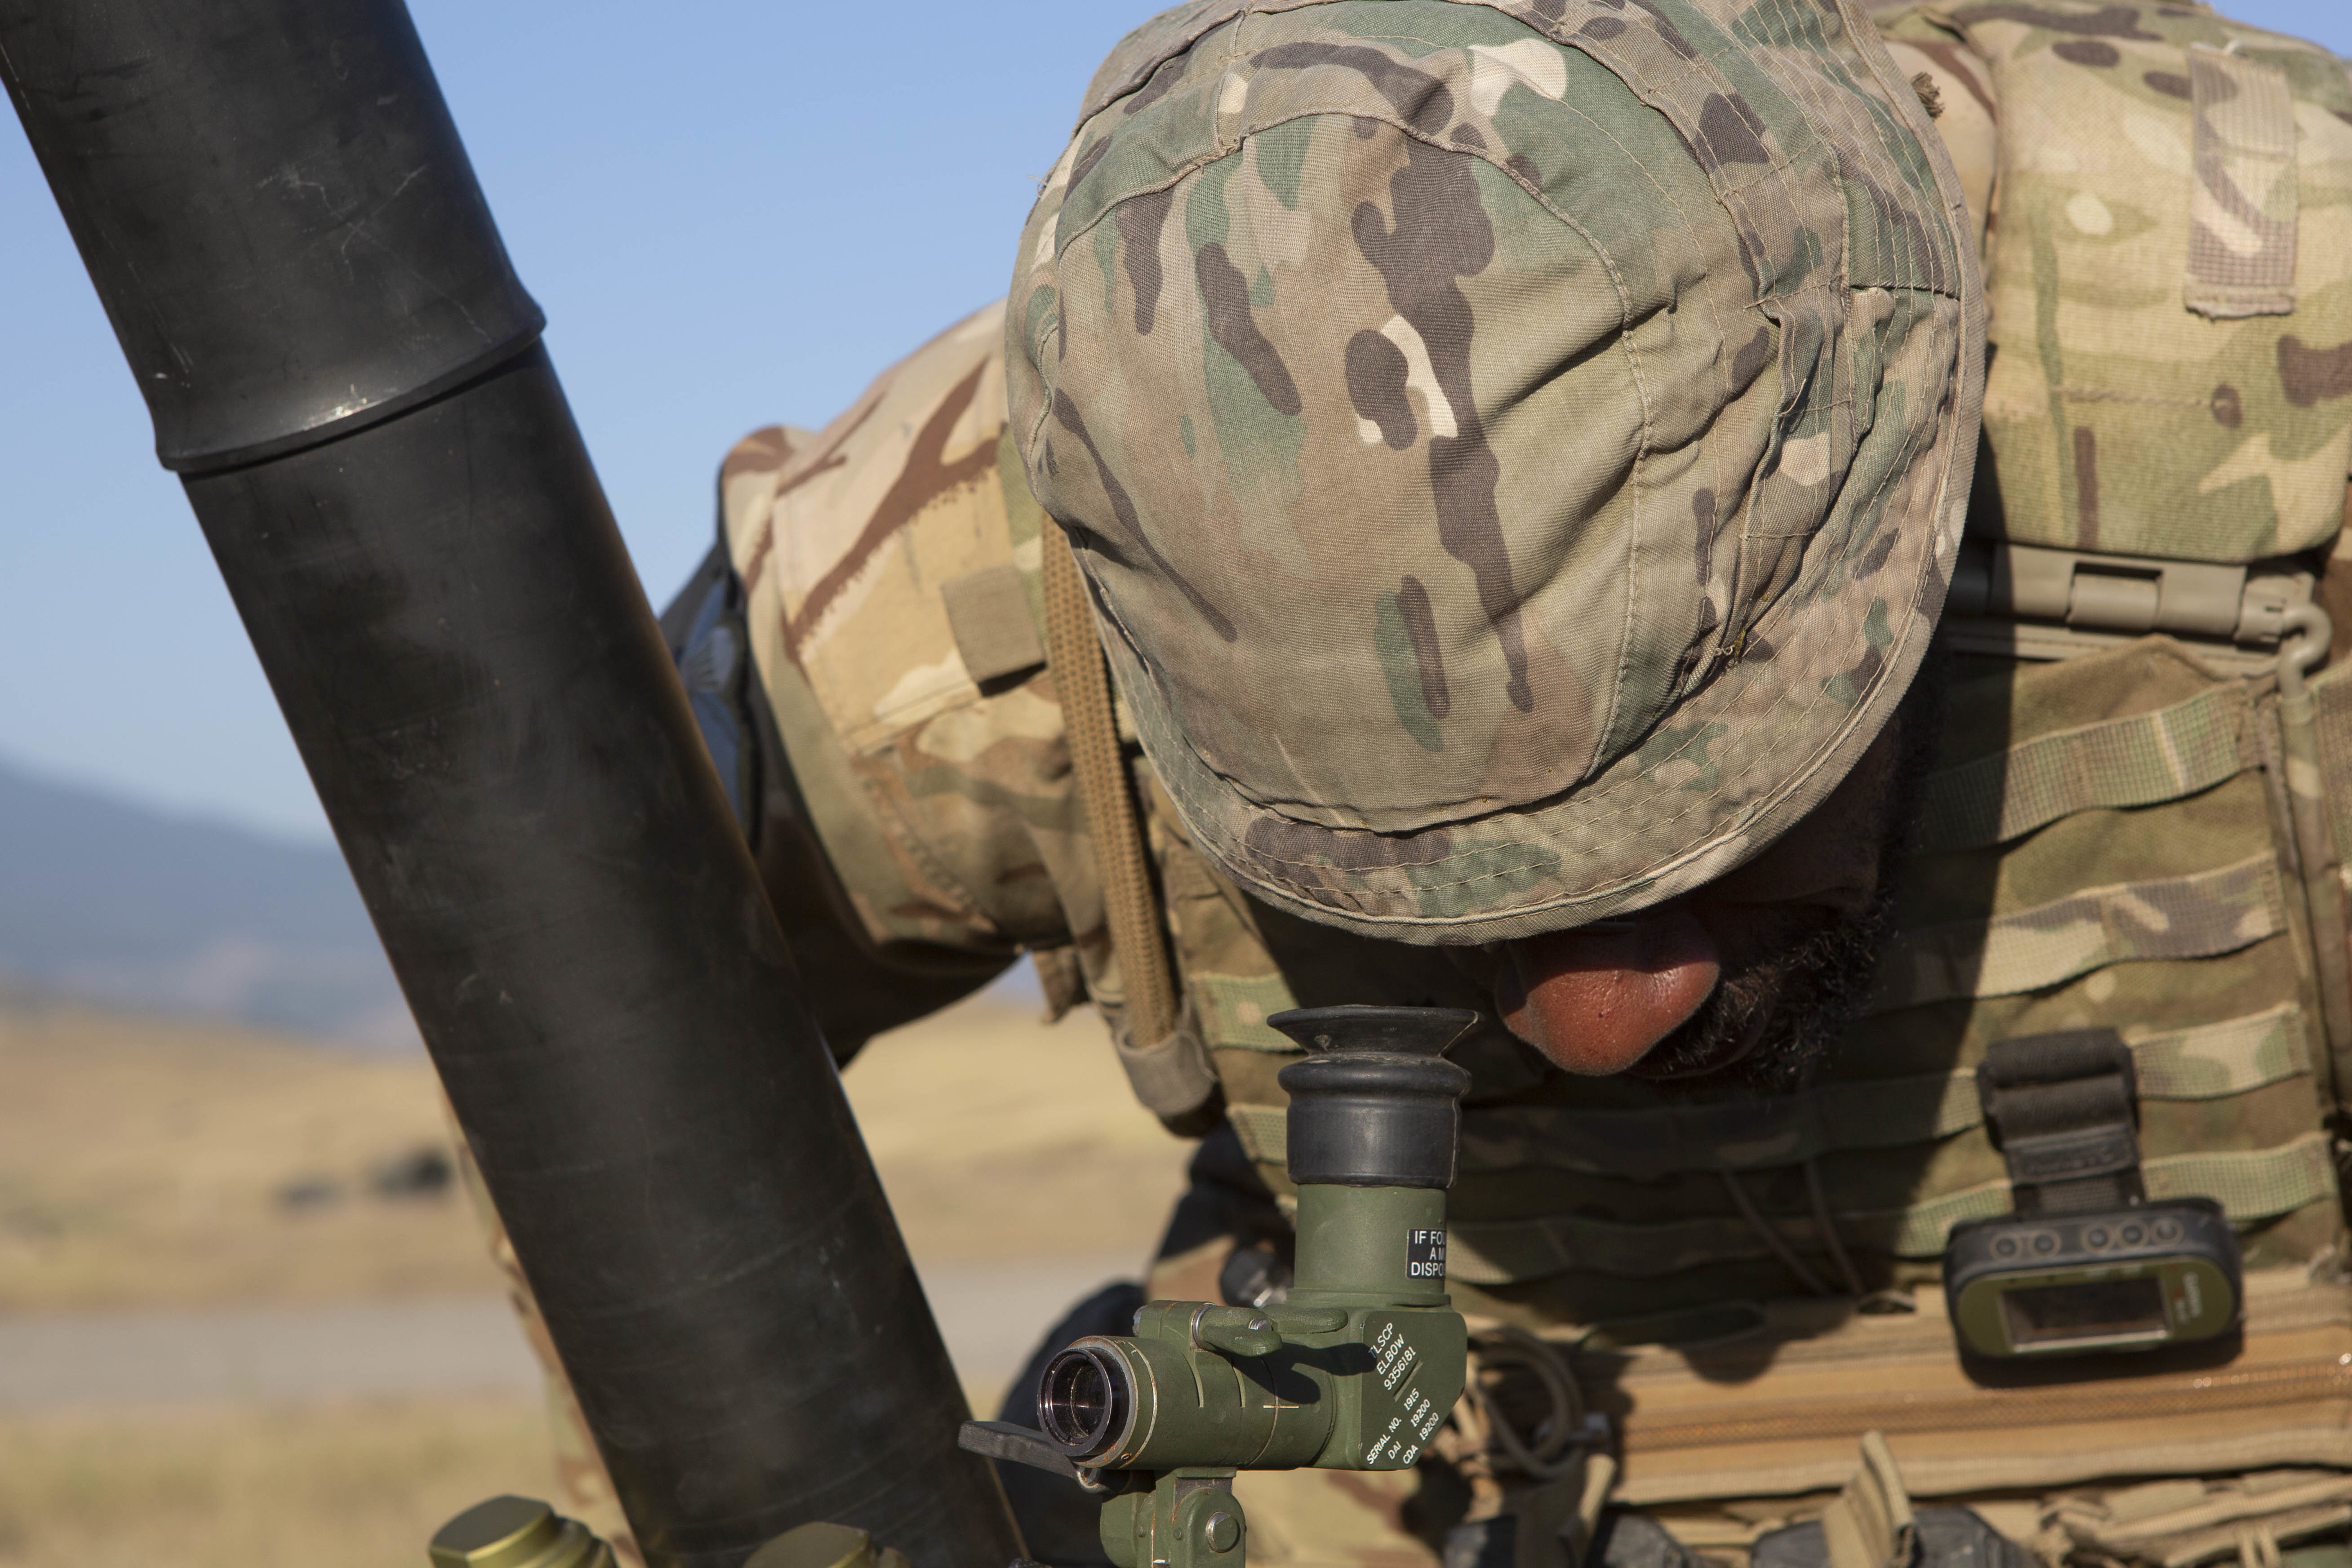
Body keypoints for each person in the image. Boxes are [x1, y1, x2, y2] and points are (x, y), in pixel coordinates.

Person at [502, 2, 2352, 1565]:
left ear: (1898, 493)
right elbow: (589, 1040)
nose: (1596, 1024)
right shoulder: (994, 561)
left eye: (1702, 830)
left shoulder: (2288, 370)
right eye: (1418, 898)